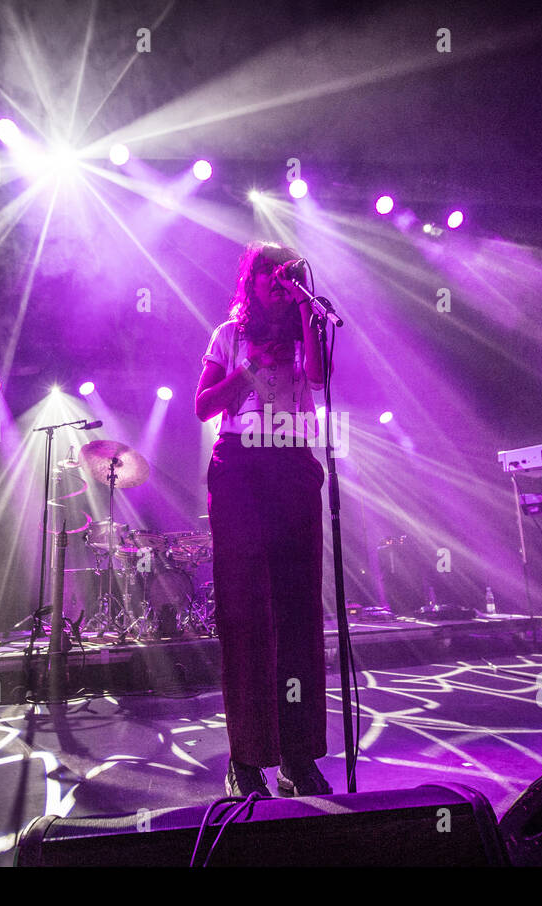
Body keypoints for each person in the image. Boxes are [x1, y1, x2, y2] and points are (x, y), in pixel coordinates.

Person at [194, 241, 332, 797]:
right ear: (249, 282)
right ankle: (246, 759)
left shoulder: (308, 332)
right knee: (248, 610)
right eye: (269, 274)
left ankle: (298, 758)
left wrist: (305, 311)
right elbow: (203, 406)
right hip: (240, 467)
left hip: (293, 462)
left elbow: (319, 382)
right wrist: (251, 368)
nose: (278, 281)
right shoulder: (227, 335)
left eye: (287, 274)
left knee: (299, 609)